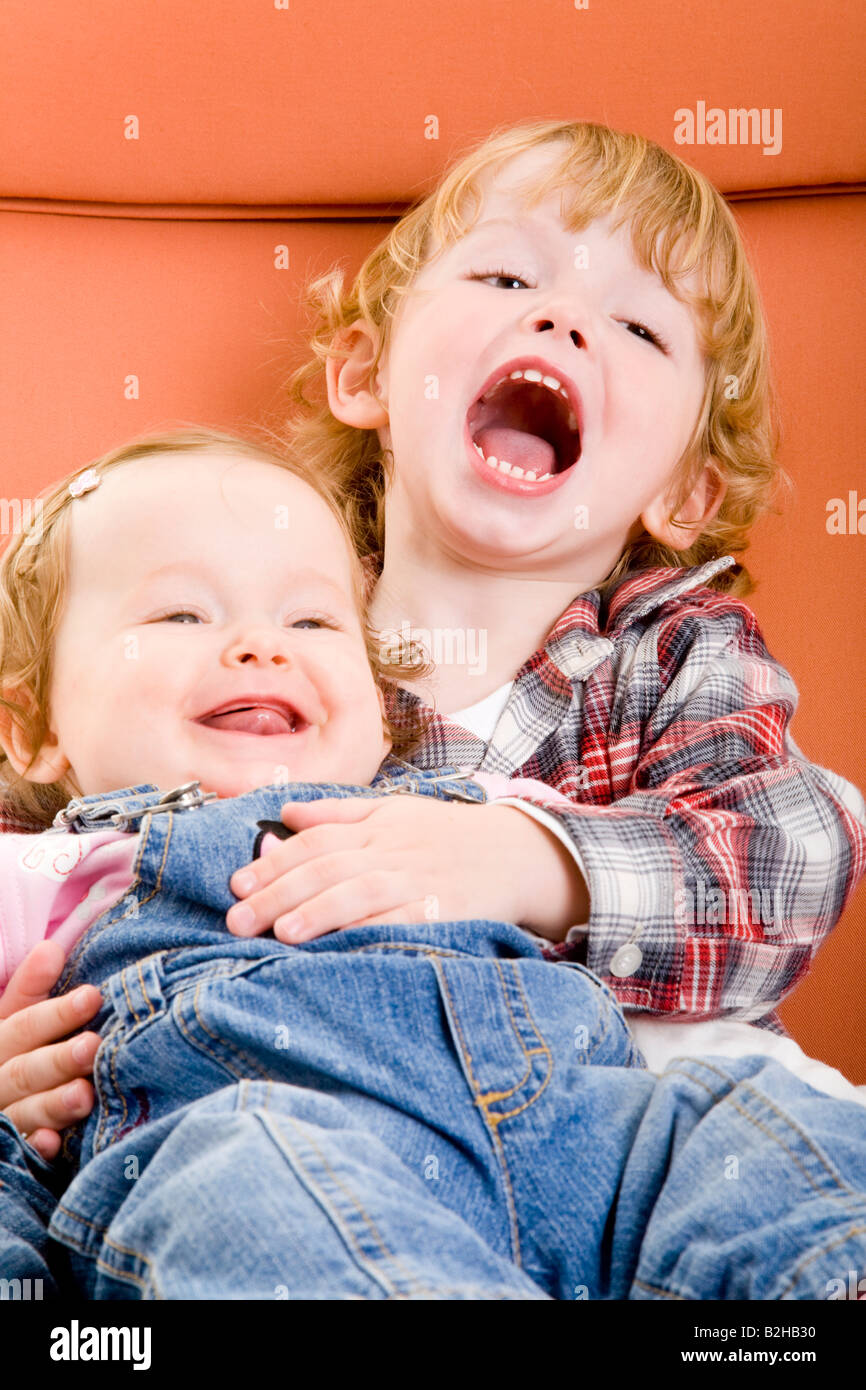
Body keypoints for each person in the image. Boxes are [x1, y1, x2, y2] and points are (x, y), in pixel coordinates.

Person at [4, 117, 866, 1172]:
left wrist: (526, 862)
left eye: (639, 329)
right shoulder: (264, 642)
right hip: (330, 1149)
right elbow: (56, 805)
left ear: (685, 490)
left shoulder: (667, 647)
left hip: (640, 1144)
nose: (561, 321)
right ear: (364, 373)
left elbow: (792, 857)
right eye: (507, 278)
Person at [1, 427, 866, 1301]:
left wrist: (534, 861)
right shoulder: (48, 869)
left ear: (381, 715)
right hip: (272, 1140)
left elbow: (707, 868)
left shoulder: (483, 808)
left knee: (754, 1129)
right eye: (182, 615)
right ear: (31, 730)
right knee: (253, 1178)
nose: (263, 646)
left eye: (312, 620)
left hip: (578, 1137)